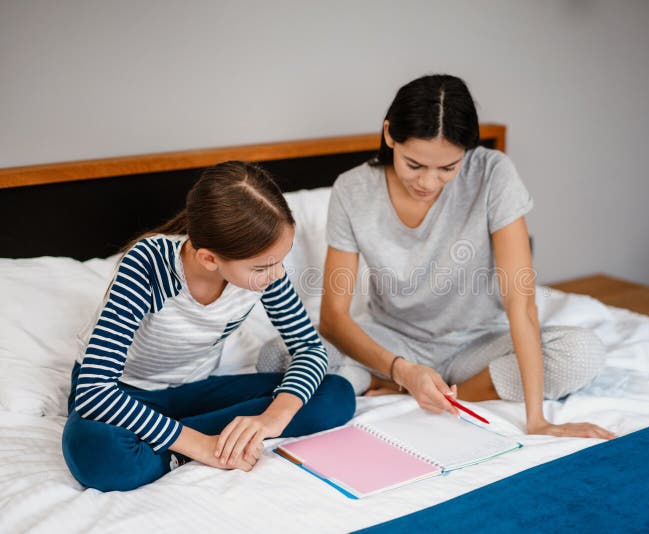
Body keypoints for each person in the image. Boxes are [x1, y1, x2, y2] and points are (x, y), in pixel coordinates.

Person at [259, 74, 614, 439]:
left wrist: (538, 420)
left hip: (476, 344)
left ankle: (423, 391)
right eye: (414, 165)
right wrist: (401, 370)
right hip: (391, 340)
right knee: (278, 355)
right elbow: (333, 318)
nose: (428, 183)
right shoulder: (353, 189)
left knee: (581, 352)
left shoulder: (493, 174)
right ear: (389, 135)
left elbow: (520, 303)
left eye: (448, 168)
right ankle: (410, 384)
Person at [62, 161, 355, 492]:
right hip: (126, 394)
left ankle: (176, 444)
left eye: (280, 261)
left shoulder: (265, 270)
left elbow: (309, 348)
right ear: (209, 259)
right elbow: (94, 392)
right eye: (263, 267)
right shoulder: (147, 264)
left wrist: (272, 418)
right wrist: (201, 446)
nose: (276, 274)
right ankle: (195, 445)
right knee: (96, 451)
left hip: (193, 390)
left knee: (336, 394)